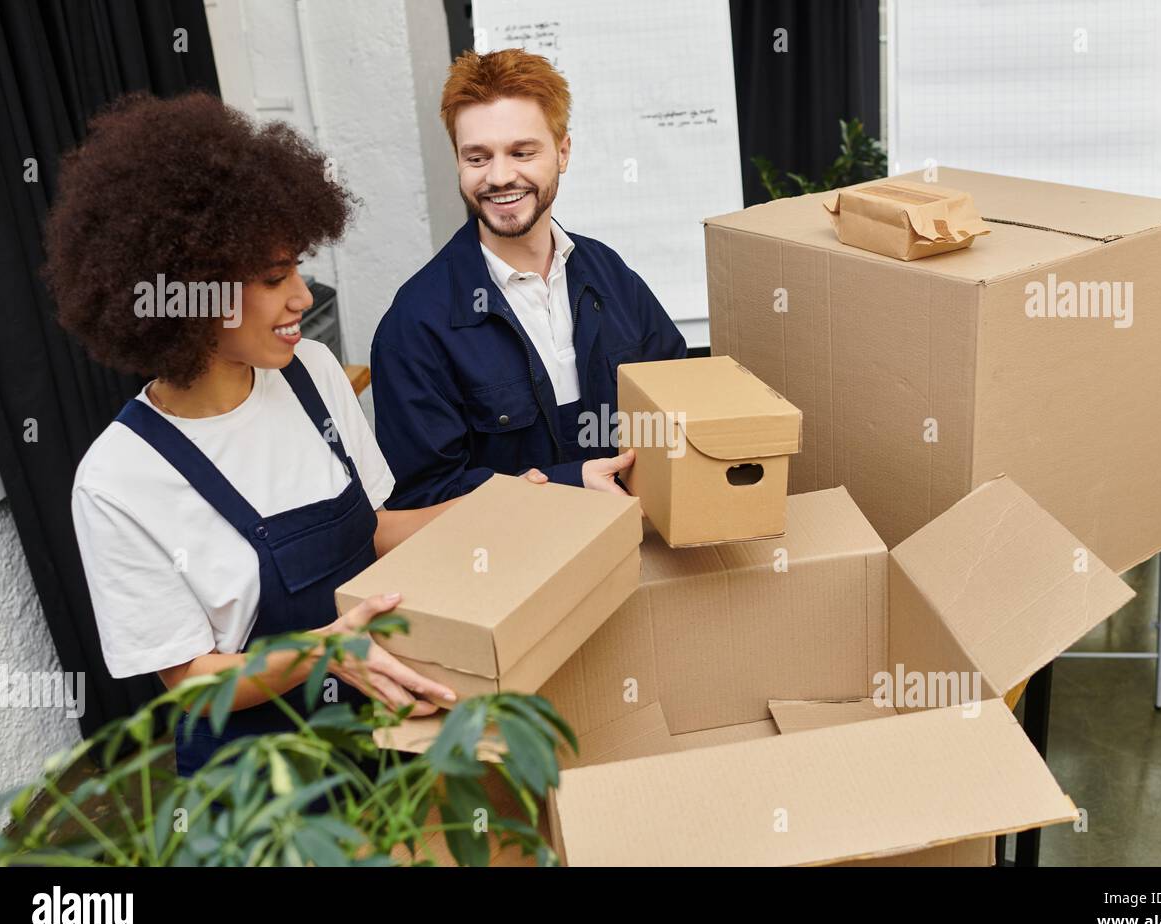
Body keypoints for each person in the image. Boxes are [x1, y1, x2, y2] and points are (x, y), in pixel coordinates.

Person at [47, 92, 456, 778]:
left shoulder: (315, 374)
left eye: (296, 266)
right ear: (190, 292)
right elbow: (194, 682)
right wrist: (325, 652)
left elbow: (373, 530)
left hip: (389, 736)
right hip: (263, 791)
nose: (302, 296)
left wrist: (519, 501)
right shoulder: (119, 479)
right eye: (274, 278)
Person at [371, 48, 688, 509]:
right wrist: (569, 484)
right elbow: (423, 499)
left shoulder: (611, 274)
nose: (500, 177)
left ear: (562, 152)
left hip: (638, 545)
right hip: (506, 572)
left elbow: (679, 400)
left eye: (522, 152)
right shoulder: (415, 326)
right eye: (477, 158)